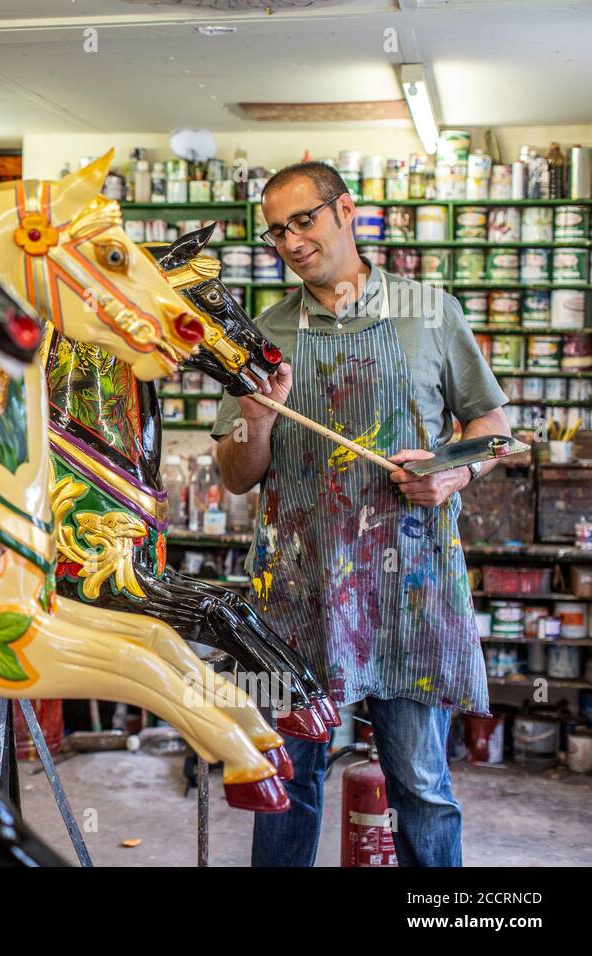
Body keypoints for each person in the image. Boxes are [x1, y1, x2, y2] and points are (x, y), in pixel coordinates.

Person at [211, 161, 510, 867]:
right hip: (297, 592)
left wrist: (454, 472)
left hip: (409, 588)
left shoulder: (428, 311)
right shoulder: (259, 336)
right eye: (276, 231)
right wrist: (255, 411)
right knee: (289, 782)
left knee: (423, 786)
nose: (290, 241)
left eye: (303, 220)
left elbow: (492, 425)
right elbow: (235, 476)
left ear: (346, 210)